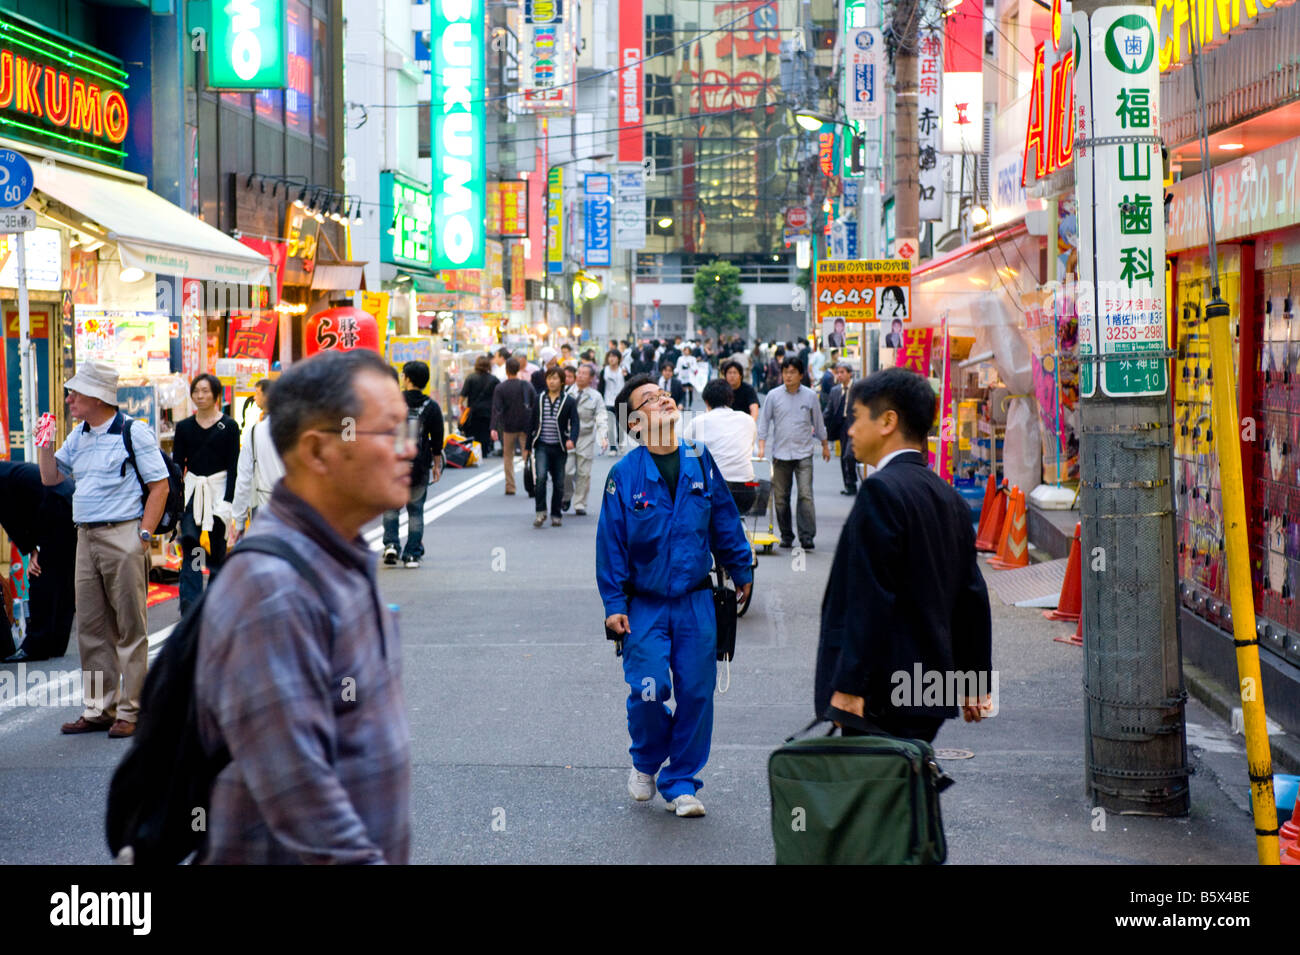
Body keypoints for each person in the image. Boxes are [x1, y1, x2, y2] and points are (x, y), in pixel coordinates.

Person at [194, 349, 413, 864]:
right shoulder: (274, 589)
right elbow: (300, 797)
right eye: (389, 432)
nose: (409, 450)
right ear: (317, 451)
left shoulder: (341, 554)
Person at [598, 374, 753, 817]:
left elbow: (723, 517)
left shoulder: (700, 460)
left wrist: (741, 568)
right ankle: (646, 760)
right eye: (649, 399)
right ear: (634, 424)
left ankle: (682, 782)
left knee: (696, 693)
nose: (664, 399)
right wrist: (614, 606)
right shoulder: (623, 476)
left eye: (664, 394)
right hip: (644, 604)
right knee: (649, 689)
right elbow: (612, 546)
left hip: (695, 599)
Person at [815, 367, 993, 741]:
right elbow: (971, 595)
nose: (849, 429)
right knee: (905, 786)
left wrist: (850, 685)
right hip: (929, 688)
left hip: (882, 690)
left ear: (888, 422)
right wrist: (975, 680)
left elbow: (869, 598)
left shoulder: (880, 492)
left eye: (858, 417)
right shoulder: (949, 496)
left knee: (880, 788)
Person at [40, 359, 170, 738]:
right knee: (92, 628)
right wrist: (45, 445)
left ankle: (131, 710)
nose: (69, 399)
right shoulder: (78, 435)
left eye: (75, 393)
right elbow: (51, 478)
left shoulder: (135, 432)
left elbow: (158, 485)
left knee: (130, 627)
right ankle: (99, 708)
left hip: (123, 534)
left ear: (97, 396)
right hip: (86, 537)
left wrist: (143, 536)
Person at [172, 374, 241, 616]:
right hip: (193, 495)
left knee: (217, 551)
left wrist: (229, 502)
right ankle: (191, 608)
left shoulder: (230, 427)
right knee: (192, 549)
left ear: (216, 395)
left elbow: (234, 467)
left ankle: (215, 606)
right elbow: (177, 466)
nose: (200, 396)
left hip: (218, 494)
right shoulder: (184, 427)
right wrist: (178, 503)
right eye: (196, 391)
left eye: (205, 391)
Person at [0, 462, 76, 662]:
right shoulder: (8, 471)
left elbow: (11, 519)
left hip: (54, 506)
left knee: (39, 574)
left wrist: (33, 550)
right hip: (68, 502)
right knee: (63, 577)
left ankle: (37, 645)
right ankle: (57, 642)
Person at [757, 356, 829, 550]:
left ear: (800, 374)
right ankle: (787, 534)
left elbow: (818, 422)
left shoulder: (810, 396)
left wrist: (824, 444)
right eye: (785, 372)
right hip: (780, 454)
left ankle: (807, 536)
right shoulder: (773, 396)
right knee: (781, 498)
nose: (788, 376)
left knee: (805, 495)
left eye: (792, 372)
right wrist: (761, 446)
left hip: (804, 452)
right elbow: (764, 423)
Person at [382, 361, 445, 568]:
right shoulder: (432, 407)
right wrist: (437, 465)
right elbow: (437, 439)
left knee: (391, 508)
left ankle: (391, 544)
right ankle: (411, 554)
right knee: (415, 510)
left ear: (407, 379)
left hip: (393, 463)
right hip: (419, 464)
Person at [683, 379, 758, 516]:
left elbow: (688, 457)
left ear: (706, 401)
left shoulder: (697, 422)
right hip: (747, 490)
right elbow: (750, 447)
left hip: (716, 490)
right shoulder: (747, 420)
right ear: (730, 399)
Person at [228, 386, 286, 546]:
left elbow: (244, 480)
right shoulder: (306, 432)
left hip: (263, 513)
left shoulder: (254, 433)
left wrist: (239, 521)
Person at [527, 365, 578, 527]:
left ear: (562, 381)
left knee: (559, 481)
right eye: (549, 378)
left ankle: (556, 513)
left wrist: (572, 439)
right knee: (540, 478)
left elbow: (575, 423)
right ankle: (540, 512)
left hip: (560, 447)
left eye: (555, 378)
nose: (551, 381)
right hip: (541, 445)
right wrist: (527, 447)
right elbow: (531, 423)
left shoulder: (568, 401)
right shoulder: (539, 398)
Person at [563, 363, 609, 515]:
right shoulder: (566, 392)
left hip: (586, 436)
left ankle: (579, 503)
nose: (580, 375)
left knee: (584, 472)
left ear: (591, 378)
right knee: (566, 471)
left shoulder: (595, 396)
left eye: (584, 373)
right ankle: (566, 496)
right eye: (579, 372)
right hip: (567, 436)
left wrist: (603, 437)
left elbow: (601, 417)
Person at [490, 357, 536, 496]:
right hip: (525, 426)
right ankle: (532, 482)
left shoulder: (500, 387)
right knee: (527, 455)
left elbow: (497, 409)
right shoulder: (527, 385)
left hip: (508, 426)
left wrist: (493, 427)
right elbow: (535, 404)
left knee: (507, 457)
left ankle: (510, 486)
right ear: (519, 369)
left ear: (506, 370)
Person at [824, 363, 859, 496]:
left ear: (850, 373)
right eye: (837, 372)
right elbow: (829, 410)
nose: (839, 375)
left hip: (855, 425)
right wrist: (819, 423)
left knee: (849, 455)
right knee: (843, 456)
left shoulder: (857, 389)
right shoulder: (835, 390)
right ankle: (849, 485)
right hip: (841, 425)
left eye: (842, 372)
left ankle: (852, 481)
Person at [460, 354, 498, 457]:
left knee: (473, 432)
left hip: (473, 411)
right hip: (488, 411)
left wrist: (461, 406)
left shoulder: (470, 378)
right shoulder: (493, 379)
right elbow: (497, 396)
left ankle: (474, 452)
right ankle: (484, 451)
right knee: (485, 432)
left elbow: (463, 395)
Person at [598, 349, 626, 454]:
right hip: (608, 401)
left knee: (621, 425)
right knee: (610, 426)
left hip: (621, 401)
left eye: (614, 356)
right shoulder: (604, 371)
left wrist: (626, 375)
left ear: (618, 359)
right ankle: (613, 448)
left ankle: (621, 442)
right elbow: (600, 387)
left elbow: (629, 383)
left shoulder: (623, 370)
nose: (612, 359)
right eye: (610, 356)